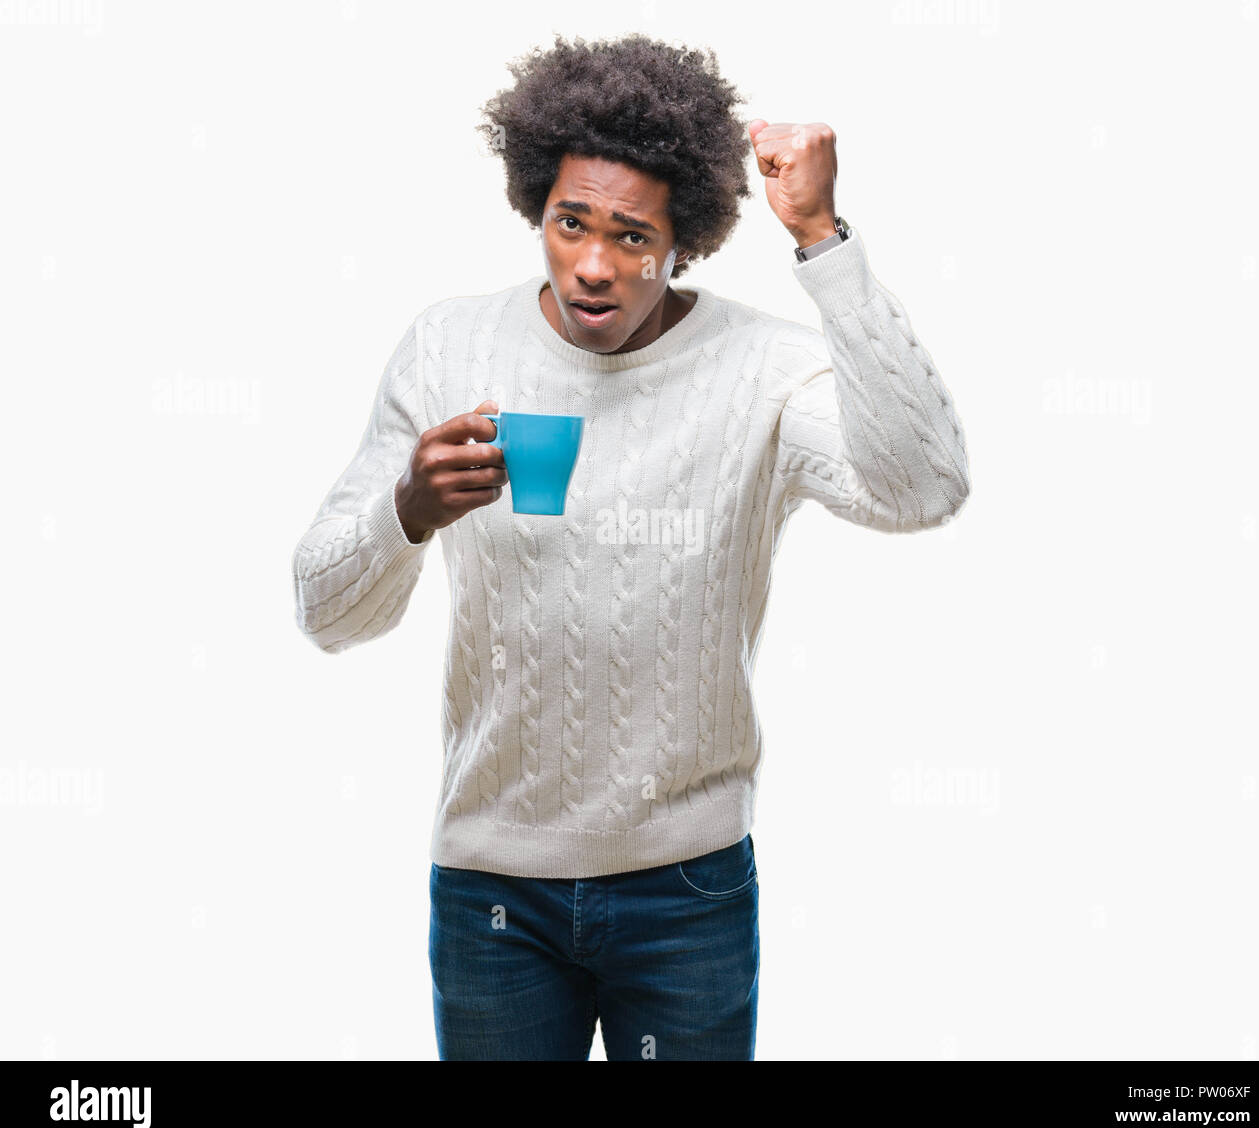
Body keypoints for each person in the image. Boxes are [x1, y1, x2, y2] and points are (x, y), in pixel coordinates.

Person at [291, 32, 971, 1060]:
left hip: (686, 886)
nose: (595, 266)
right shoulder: (449, 347)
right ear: (536, 209)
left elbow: (923, 487)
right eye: (571, 224)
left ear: (682, 241)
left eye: (632, 235)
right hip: (492, 890)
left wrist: (824, 243)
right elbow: (323, 610)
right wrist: (408, 508)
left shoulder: (759, 371)